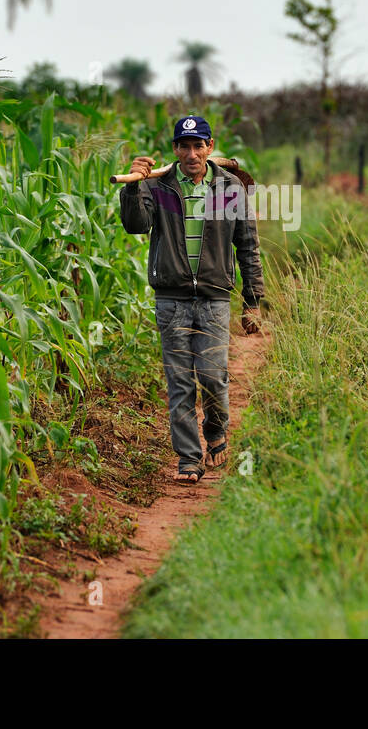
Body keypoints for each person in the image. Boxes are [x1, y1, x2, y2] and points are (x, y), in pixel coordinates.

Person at [119, 115, 265, 484]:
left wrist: (253, 301)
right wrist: (134, 185)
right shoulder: (159, 186)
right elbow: (136, 225)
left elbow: (247, 246)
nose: (191, 153)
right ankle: (188, 459)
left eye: (198, 145)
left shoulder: (230, 187)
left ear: (209, 148)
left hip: (215, 300)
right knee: (181, 382)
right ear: (175, 150)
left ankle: (215, 431)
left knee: (213, 377)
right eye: (184, 146)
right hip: (172, 300)